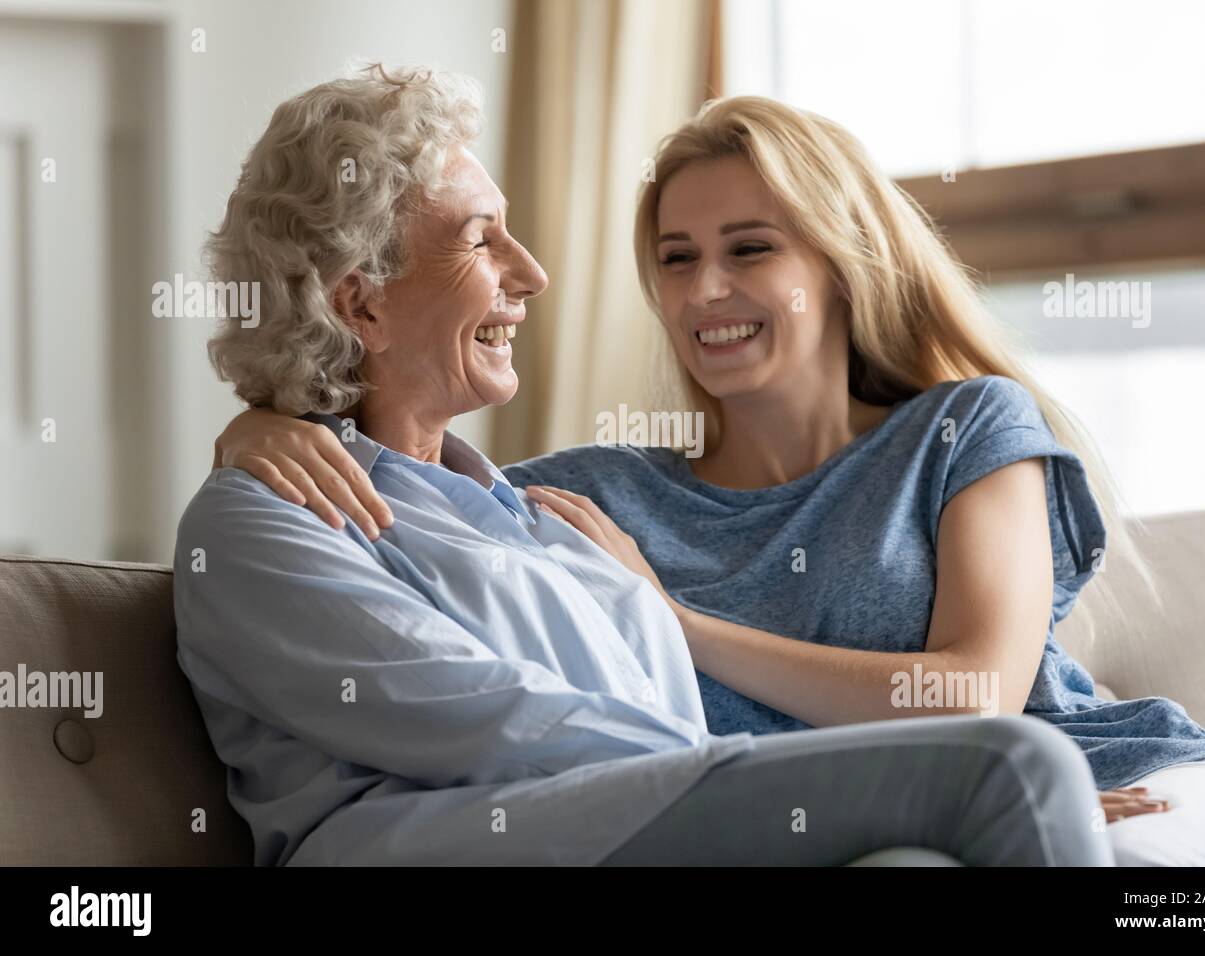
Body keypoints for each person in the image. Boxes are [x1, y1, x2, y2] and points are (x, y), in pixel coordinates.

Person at [182, 64, 1151, 868]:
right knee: (1016, 770)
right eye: (483, 239)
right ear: (362, 306)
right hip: (444, 845)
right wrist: (893, 782)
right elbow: (490, 722)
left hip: (630, 822)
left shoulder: (539, 512)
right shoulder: (260, 518)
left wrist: (876, 801)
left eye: (749, 248)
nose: (533, 272)